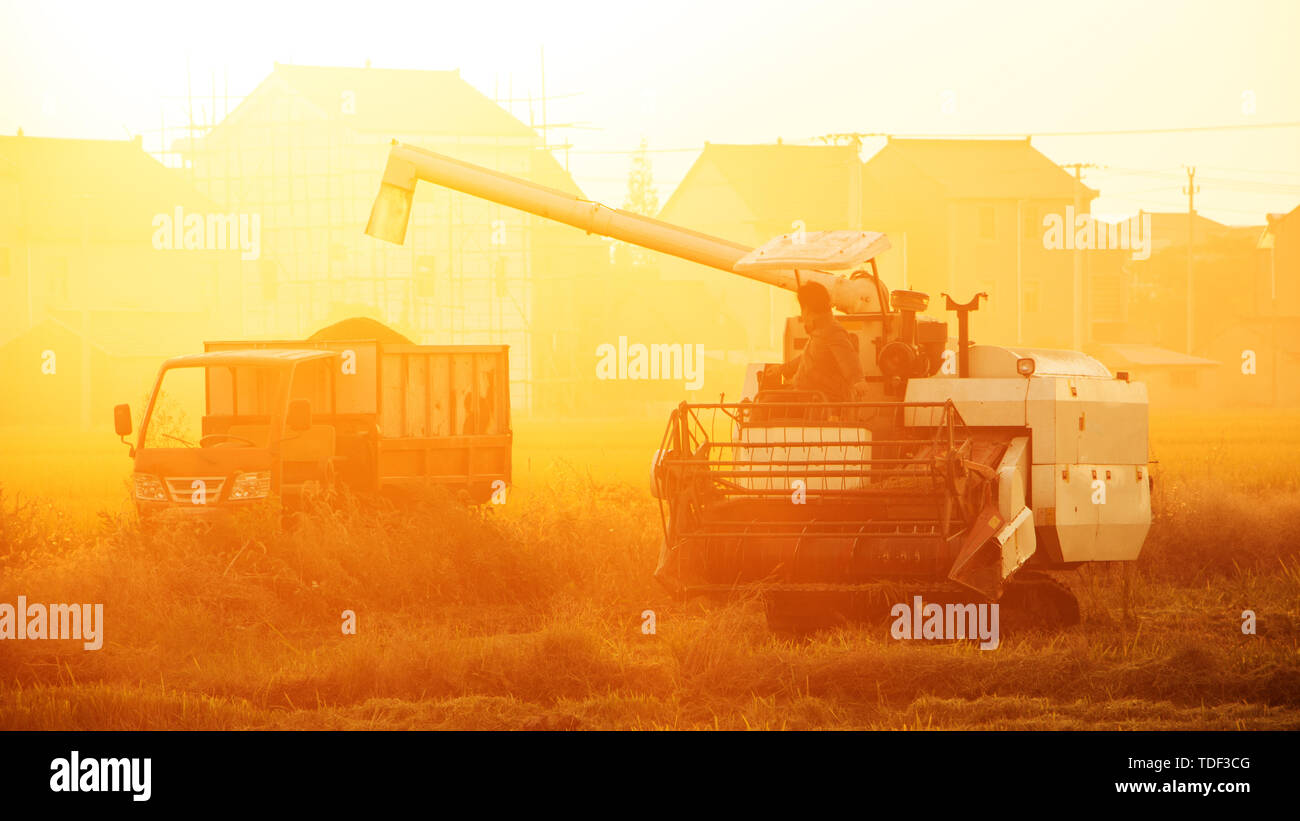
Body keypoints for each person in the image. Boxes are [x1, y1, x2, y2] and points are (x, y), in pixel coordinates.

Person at [779, 282, 870, 401]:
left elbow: (847, 358)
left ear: (806, 309)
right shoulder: (820, 332)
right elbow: (807, 359)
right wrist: (783, 369)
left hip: (818, 399)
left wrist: (858, 380)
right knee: (769, 400)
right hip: (808, 396)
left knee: (764, 404)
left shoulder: (832, 331)